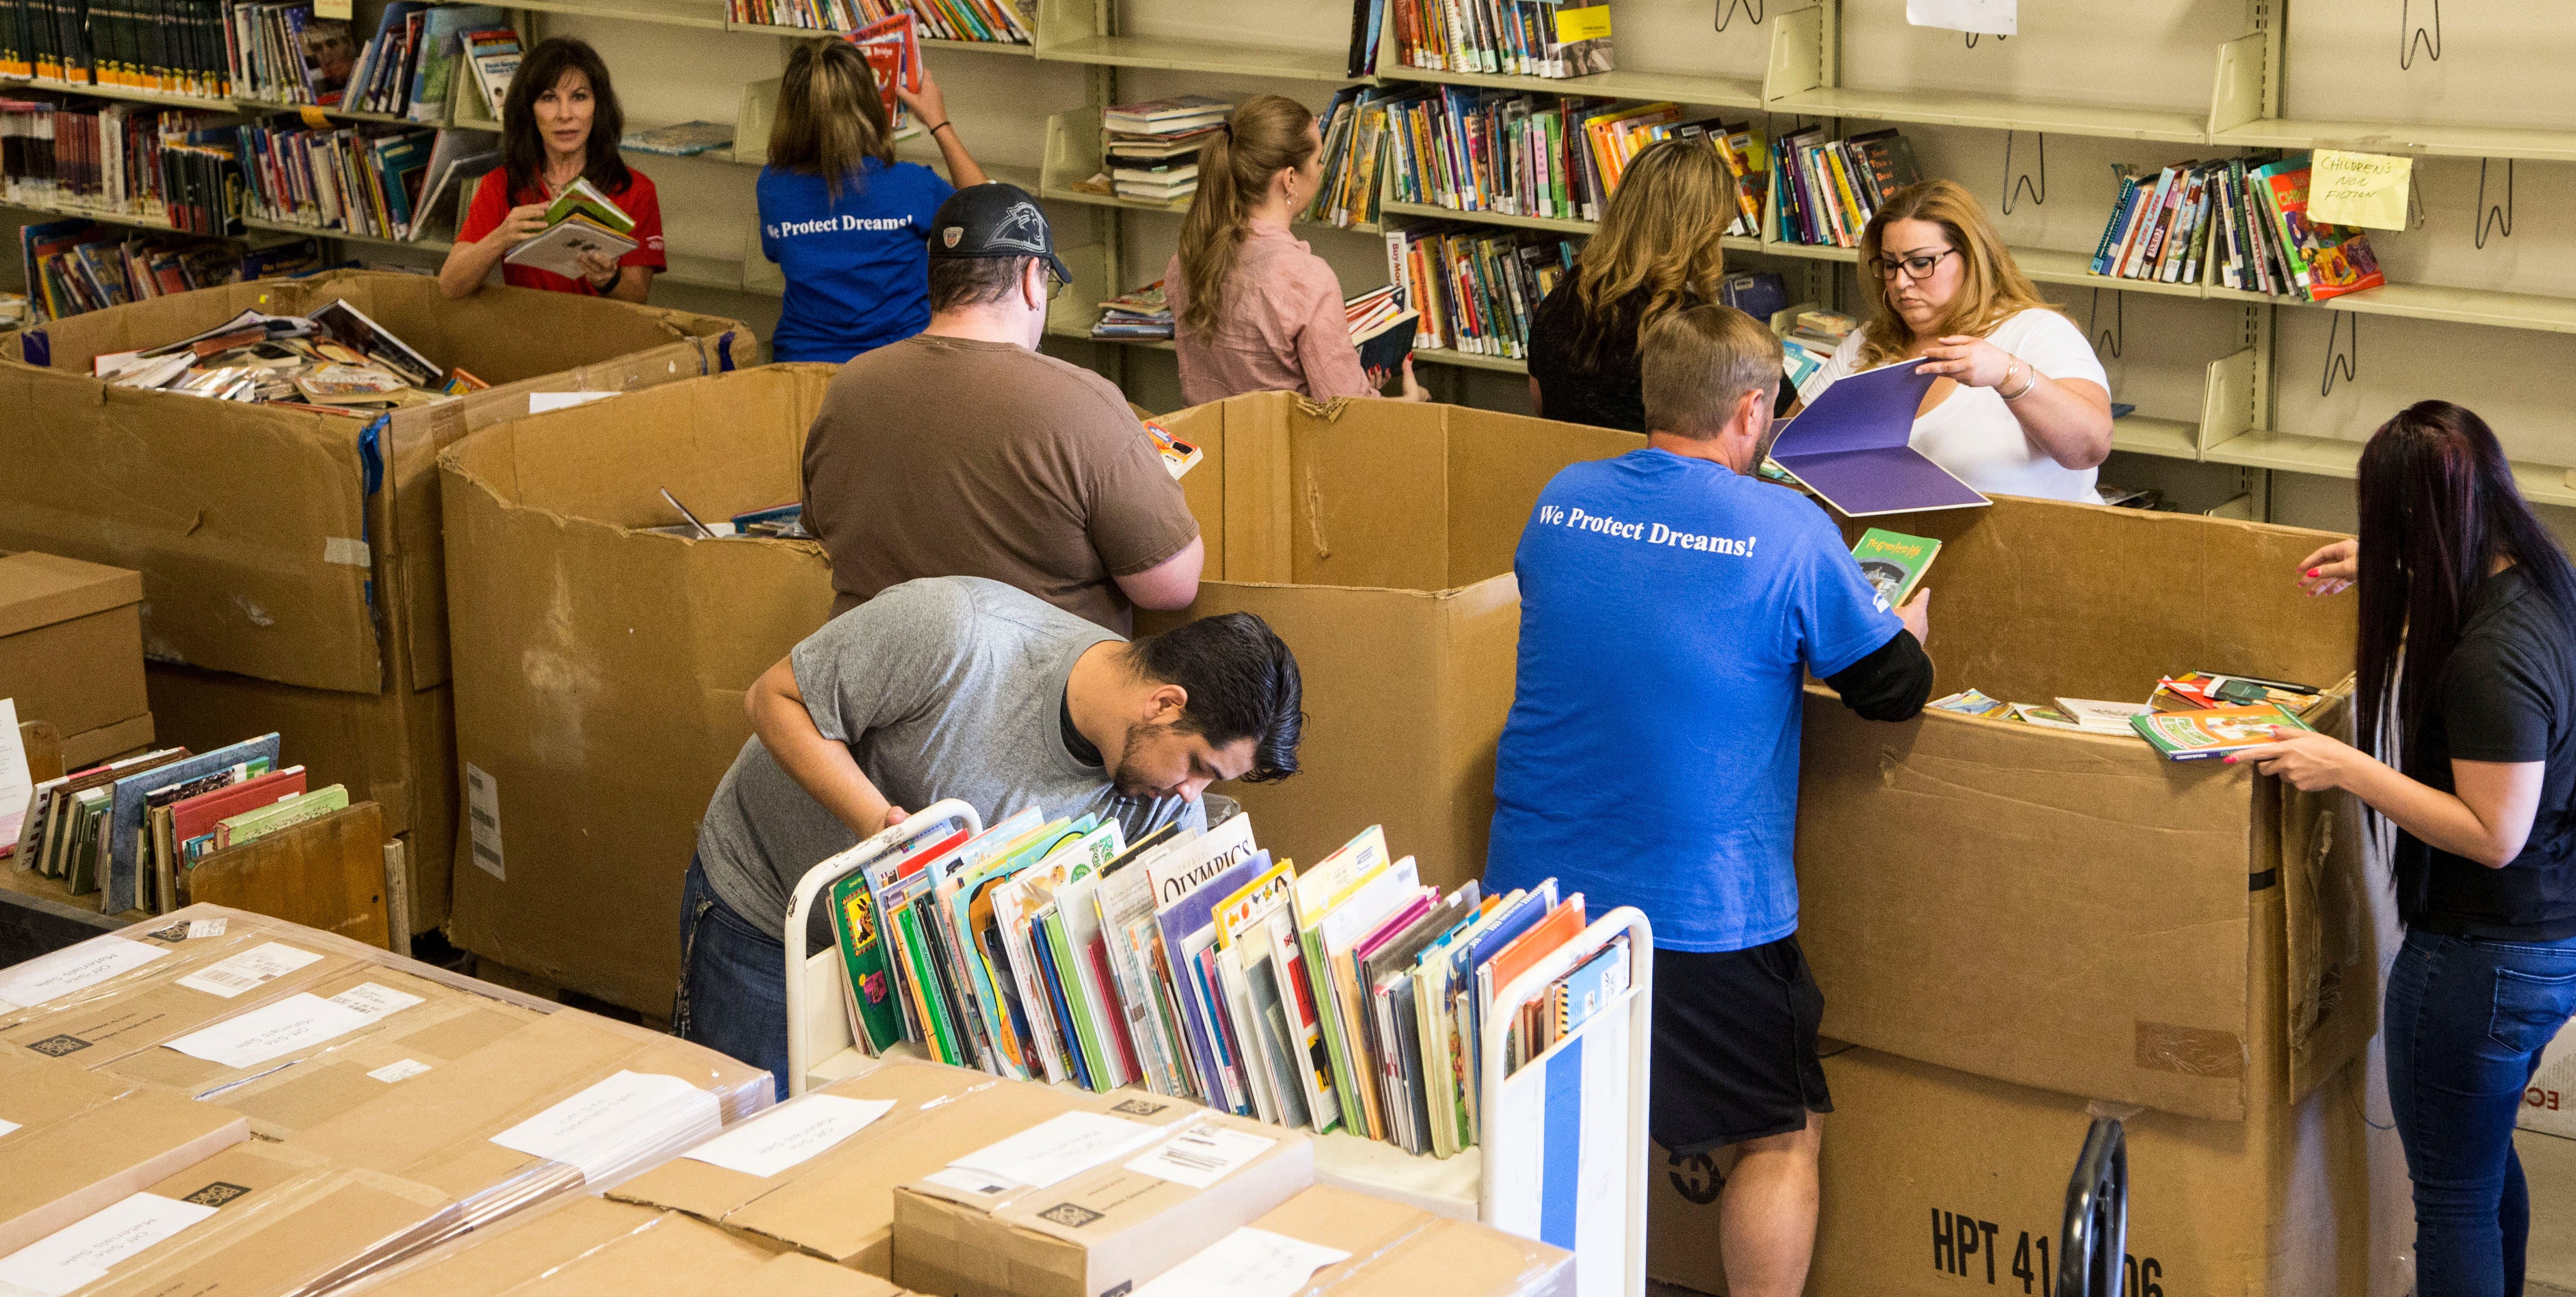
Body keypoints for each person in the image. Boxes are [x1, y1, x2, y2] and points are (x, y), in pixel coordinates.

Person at [1483, 303, 1934, 1297]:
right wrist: (1900, 624)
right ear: (1749, 411)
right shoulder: (1786, 527)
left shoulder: (1561, 498)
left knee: (1546, 1114)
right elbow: (1892, 688)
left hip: (1530, 894)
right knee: (1778, 1132)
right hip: (1699, 907)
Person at [2232, 402, 2576, 1297]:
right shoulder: (2544, 581)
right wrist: (2391, 561)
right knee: (2478, 1163)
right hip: (2563, 937)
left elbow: (2493, 833)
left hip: (2483, 963)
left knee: (2451, 1202)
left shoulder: (2489, 657)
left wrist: (2344, 765)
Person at [677, 575, 1305, 1090]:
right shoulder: (957, 633)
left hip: (922, 976)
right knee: (745, 1147)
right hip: (772, 910)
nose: (1192, 795)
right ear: (1164, 703)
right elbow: (773, 699)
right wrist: (881, 829)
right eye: (1197, 766)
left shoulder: (1166, 807)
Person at [800, 182, 1203, 636]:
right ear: (1032, 279)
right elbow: (1172, 587)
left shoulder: (848, 388)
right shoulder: (1084, 404)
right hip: (1036, 679)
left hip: (870, 673)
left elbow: (824, 534)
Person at [1820, 178, 2112, 501]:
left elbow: (2089, 450)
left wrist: (2008, 375)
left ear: (1972, 258)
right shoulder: (1868, 341)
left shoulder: (2037, 331)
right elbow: (1789, 451)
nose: (1900, 282)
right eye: (1890, 265)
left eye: (1921, 263)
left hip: (2033, 531)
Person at [1166, 92, 1423, 403]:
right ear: (1289, 179)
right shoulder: (1308, 280)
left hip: (1205, 434)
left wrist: (1354, 380)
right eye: (1318, 161)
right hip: (1282, 437)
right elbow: (1345, 414)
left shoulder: (1185, 262)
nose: (1322, 170)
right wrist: (1410, 402)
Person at [757, 39, 985, 363]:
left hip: (804, 366)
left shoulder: (773, 185)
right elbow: (990, 214)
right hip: (897, 366)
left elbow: (775, 253)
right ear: (872, 105)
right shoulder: (911, 185)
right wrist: (938, 122)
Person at [1527, 136, 1735, 431]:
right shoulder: (1692, 328)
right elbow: (1778, 425)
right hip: (1653, 463)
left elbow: (1540, 403)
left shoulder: (1562, 299)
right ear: (1701, 235)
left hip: (1569, 460)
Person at [439, 38, 665, 303]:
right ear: (529, 110)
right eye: (549, 98)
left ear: (598, 107)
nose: (565, 114)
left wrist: (609, 279)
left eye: (579, 97)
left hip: (600, 327)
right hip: (529, 326)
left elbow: (638, 298)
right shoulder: (500, 183)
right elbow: (450, 287)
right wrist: (501, 238)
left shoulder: (637, 189)